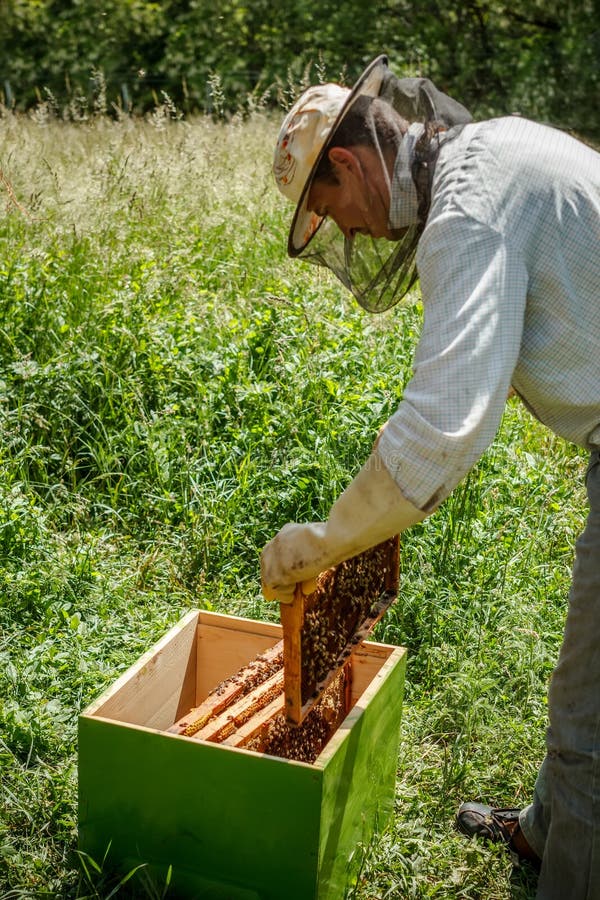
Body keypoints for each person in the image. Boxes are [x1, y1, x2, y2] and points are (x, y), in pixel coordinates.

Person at [260, 54, 600, 897]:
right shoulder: (491, 154)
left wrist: (323, 542)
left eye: (333, 214)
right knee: (583, 681)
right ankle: (544, 832)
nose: (353, 238)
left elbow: (442, 434)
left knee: (589, 721)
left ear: (348, 163)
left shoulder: (469, 211)